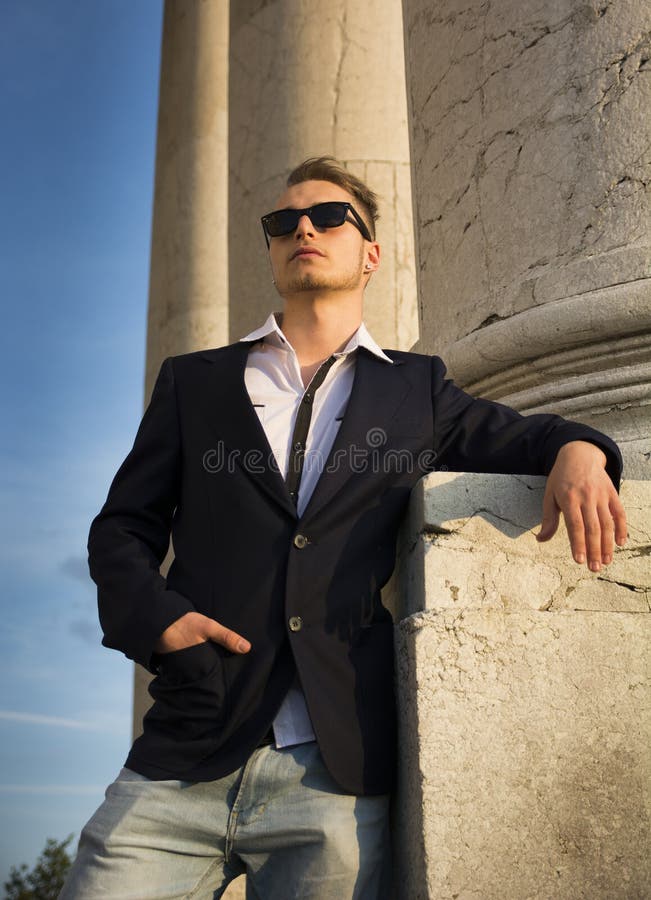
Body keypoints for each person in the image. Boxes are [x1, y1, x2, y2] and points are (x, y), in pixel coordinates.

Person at [60, 157, 627, 899]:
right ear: (270, 252)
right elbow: (121, 529)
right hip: (186, 749)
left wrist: (580, 450)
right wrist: (159, 622)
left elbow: (520, 435)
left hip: (334, 772)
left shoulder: (414, 389)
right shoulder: (192, 381)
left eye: (328, 216)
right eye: (283, 221)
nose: (302, 227)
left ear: (370, 254)